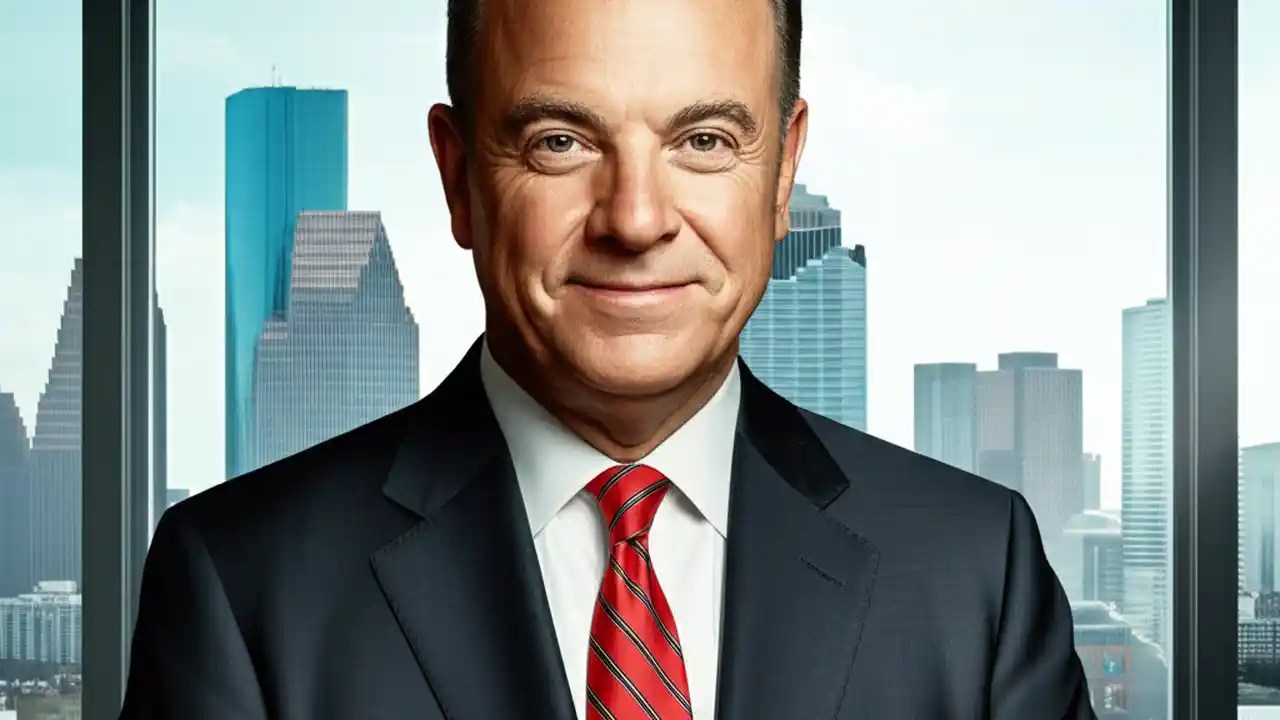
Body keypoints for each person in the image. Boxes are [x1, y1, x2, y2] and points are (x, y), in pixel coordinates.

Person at [120, 0, 1097, 717]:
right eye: (558, 141)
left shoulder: (974, 573)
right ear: (458, 178)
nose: (634, 219)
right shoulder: (244, 585)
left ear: (782, 173)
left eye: (703, 140)